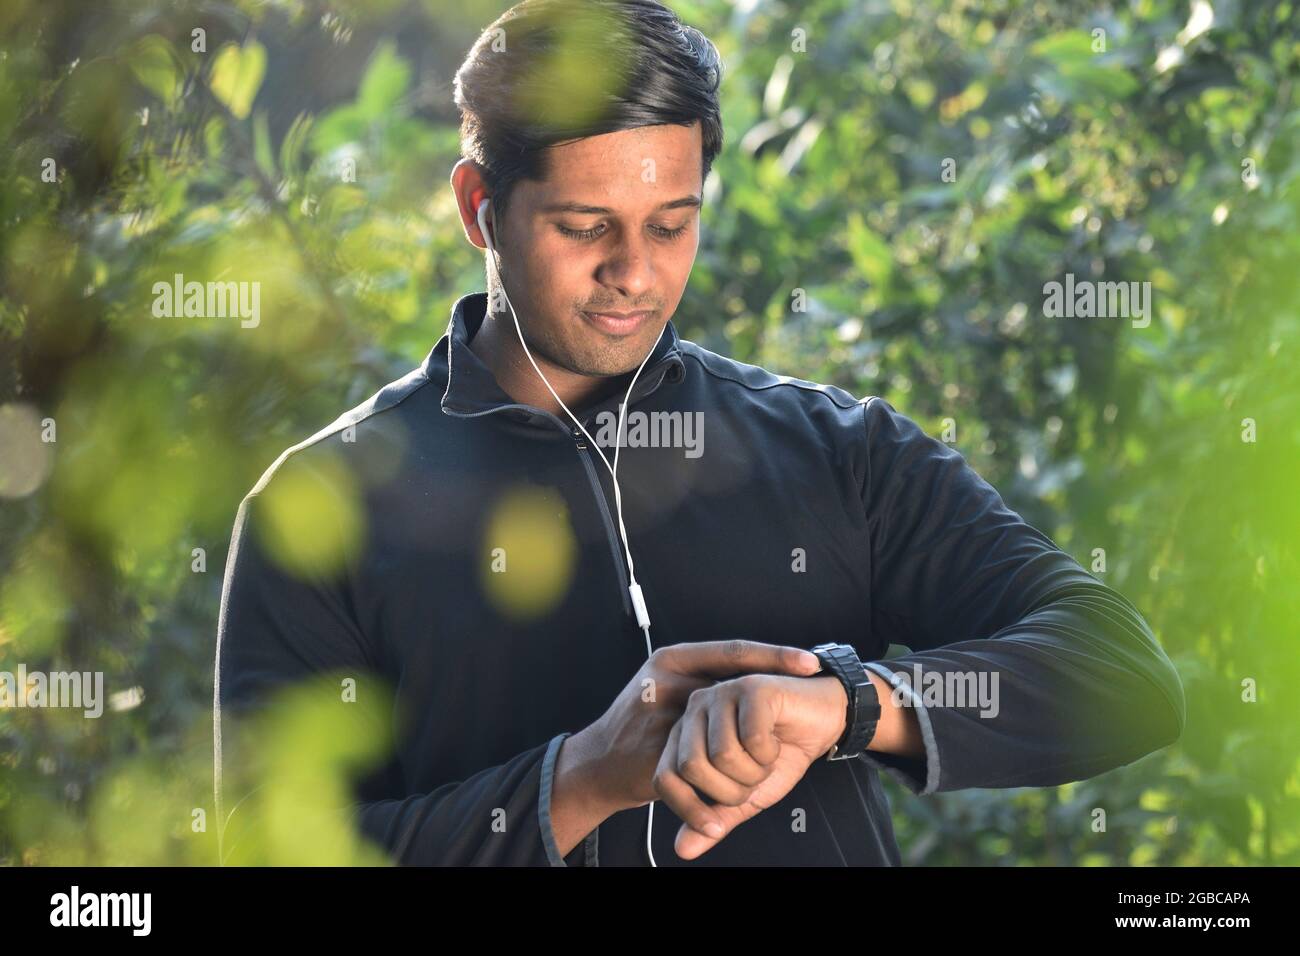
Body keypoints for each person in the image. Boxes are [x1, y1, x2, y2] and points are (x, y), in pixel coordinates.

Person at [213, 0, 1185, 866]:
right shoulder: (322, 504)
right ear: (480, 209)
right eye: (586, 226)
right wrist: (578, 778)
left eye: (671, 224)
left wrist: (846, 702)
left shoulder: (839, 451)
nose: (633, 272)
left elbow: (1120, 674)